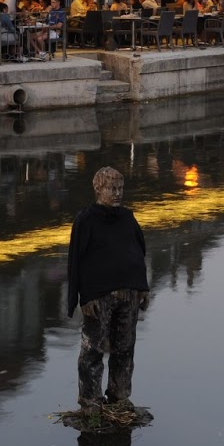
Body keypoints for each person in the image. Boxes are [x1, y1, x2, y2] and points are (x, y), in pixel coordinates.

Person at [66, 167, 149, 411]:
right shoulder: (86, 220)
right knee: (93, 349)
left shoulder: (127, 218)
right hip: (98, 296)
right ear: (98, 189)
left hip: (129, 293)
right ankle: (90, 400)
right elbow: (76, 262)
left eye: (121, 189)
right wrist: (82, 298)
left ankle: (119, 395)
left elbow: (138, 253)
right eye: (112, 188)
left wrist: (142, 287)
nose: (117, 194)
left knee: (125, 347)